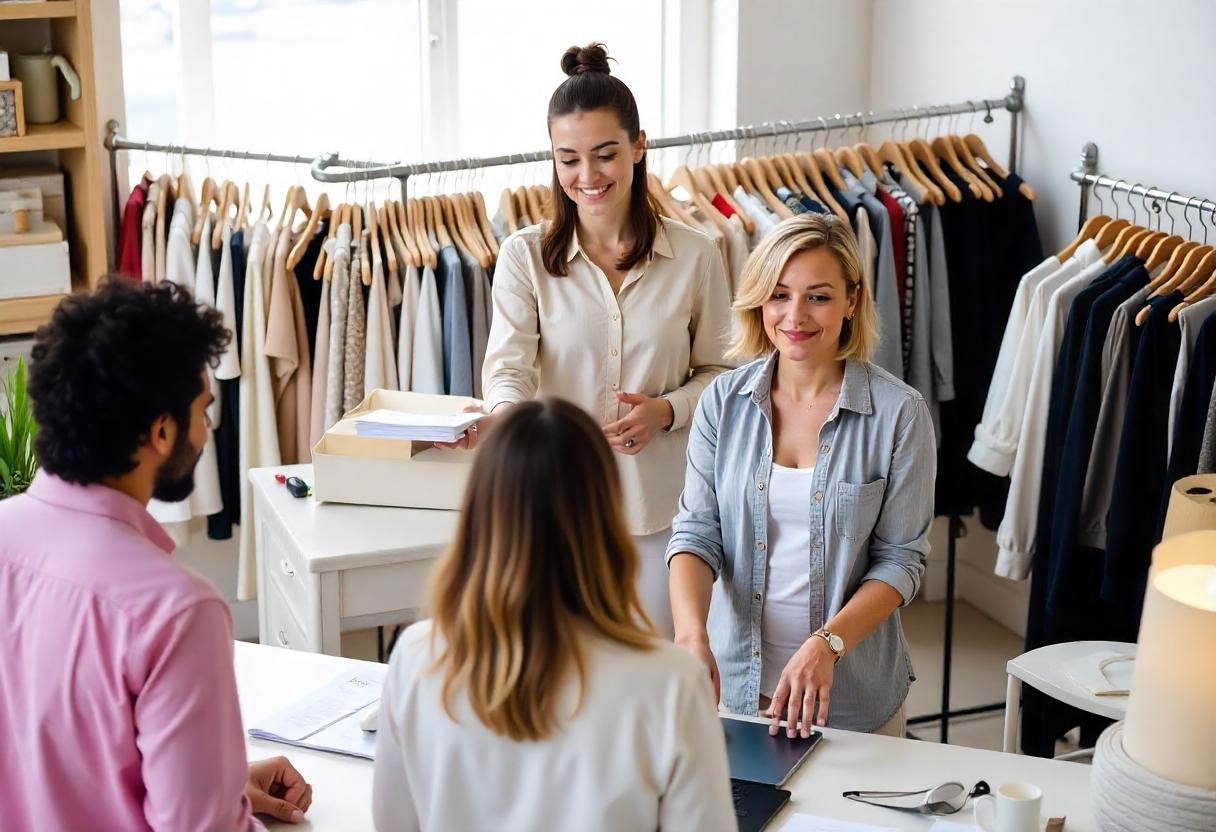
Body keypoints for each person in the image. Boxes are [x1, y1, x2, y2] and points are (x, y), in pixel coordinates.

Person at [443, 42, 733, 638]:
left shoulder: (698, 256)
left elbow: (727, 378)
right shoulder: (524, 256)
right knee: (558, 687)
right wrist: (504, 417)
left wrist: (666, 410)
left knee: (648, 685)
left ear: (638, 146)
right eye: (568, 159)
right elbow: (507, 368)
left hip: (661, 516)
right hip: (551, 507)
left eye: (605, 155)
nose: (588, 177)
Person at [0, 280, 313, 831]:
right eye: (202, 409)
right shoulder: (176, 612)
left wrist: (214, 781)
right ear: (162, 431)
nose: (207, 428)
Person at [373, 398, 736, 832]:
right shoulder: (672, 686)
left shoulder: (417, 657)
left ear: (481, 513)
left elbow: (393, 825)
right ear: (605, 515)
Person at [667, 214, 935, 739]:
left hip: (853, 699)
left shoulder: (899, 413)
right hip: (734, 691)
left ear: (851, 301)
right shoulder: (723, 401)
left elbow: (901, 560)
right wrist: (690, 636)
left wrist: (826, 645)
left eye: (818, 296)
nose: (795, 316)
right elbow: (696, 533)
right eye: (779, 295)